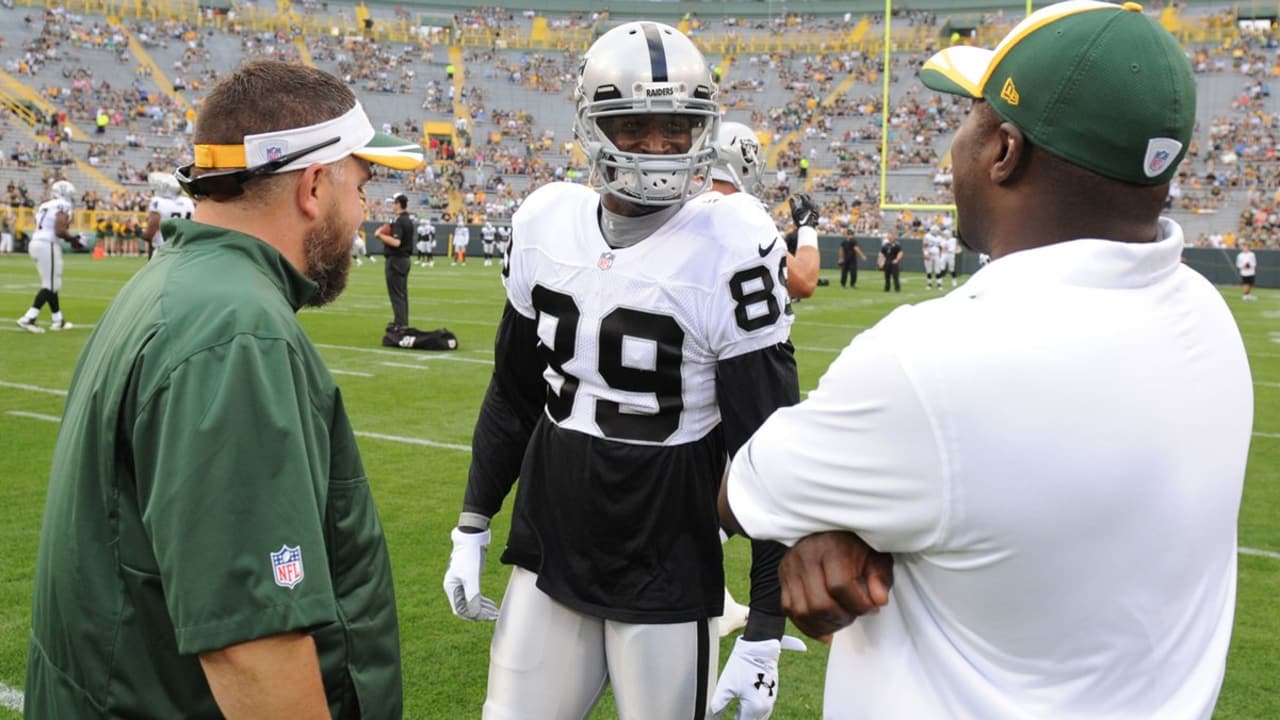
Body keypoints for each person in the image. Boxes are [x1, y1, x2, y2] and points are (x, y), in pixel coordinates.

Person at [718, 2, 1252, 717]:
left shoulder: (931, 362)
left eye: (970, 115)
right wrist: (842, 523)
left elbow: (741, 493)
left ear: (1004, 152)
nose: (955, 141)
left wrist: (830, 524)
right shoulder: (1208, 317)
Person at [25, 60, 423, 718]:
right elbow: (253, 644)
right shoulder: (237, 331)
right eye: (360, 185)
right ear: (313, 185)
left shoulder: (174, 285)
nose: (363, 211)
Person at [442, 21, 801, 719]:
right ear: (592, 125)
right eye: (635, 125)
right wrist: (473, 521)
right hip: (550, 543)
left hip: (666, 557)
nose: (659, 146)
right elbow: (514, 394)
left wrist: (764, 624)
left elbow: (770, 449)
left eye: (676, 126)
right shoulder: (545, 220)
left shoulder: (732, 243)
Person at [711, 119, 820, 299]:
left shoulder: (683, 209)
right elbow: (804, 282)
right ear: (744, 163)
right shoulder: (743, 214)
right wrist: (808, 227)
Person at [16, 180, 80, 333]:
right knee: (50, 285)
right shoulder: (63, 205)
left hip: (36, 243)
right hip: (48, 244)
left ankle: (58, 320)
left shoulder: (45, 205)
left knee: (51, 283)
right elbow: (59, 230)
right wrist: (74, 240)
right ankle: (28, 318)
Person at [377, 193, 414, 330]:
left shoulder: (399, 221)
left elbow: (396, 242)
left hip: (396, 260)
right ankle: (401, 322)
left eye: (393, 203)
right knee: (402, 294)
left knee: (396, 294)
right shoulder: (408, 220)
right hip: (404, 260)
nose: (392, 206)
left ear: (398, 204)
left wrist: (380, 236)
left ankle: (400, 324)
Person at [141, 171, 195, 260]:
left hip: (164, 250)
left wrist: (139, 232)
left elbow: (150, 233)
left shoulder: (158, 202)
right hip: (182, 250)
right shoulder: (187, 202)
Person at [922, 224, 942, 289]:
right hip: (929, 254)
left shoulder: (939, 237)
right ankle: (929, 284)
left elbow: (940, 247)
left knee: (937, 270)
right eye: (935, 230)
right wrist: (925, 254)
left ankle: (939, 284)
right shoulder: (927, 236)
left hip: (936, 254)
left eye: (937, 231)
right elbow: (924, 245)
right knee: (929, 270)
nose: (936, 232)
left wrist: (940, 254)